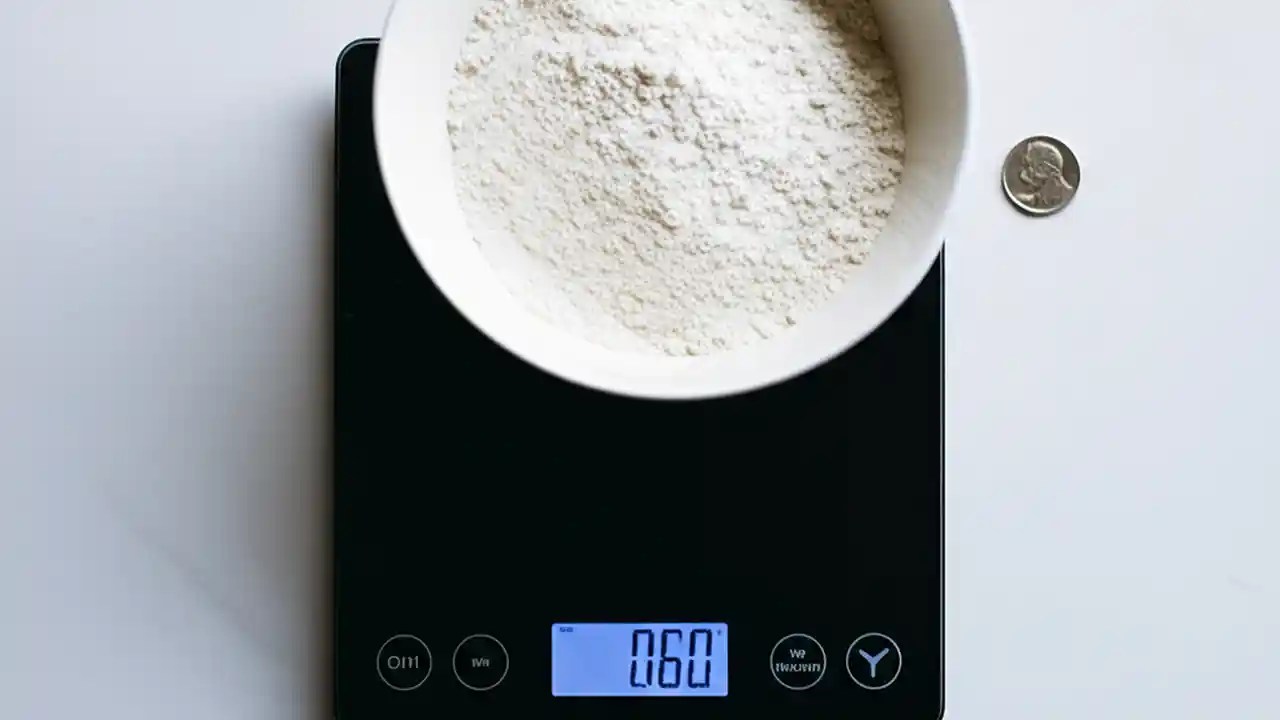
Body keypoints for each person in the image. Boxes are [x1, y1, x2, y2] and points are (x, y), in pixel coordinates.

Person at [1015, 140, 1074, 209]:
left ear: (1044, 169)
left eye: (1028, 165)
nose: (1022, 174)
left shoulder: (1069, 197)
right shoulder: (1027, 200)